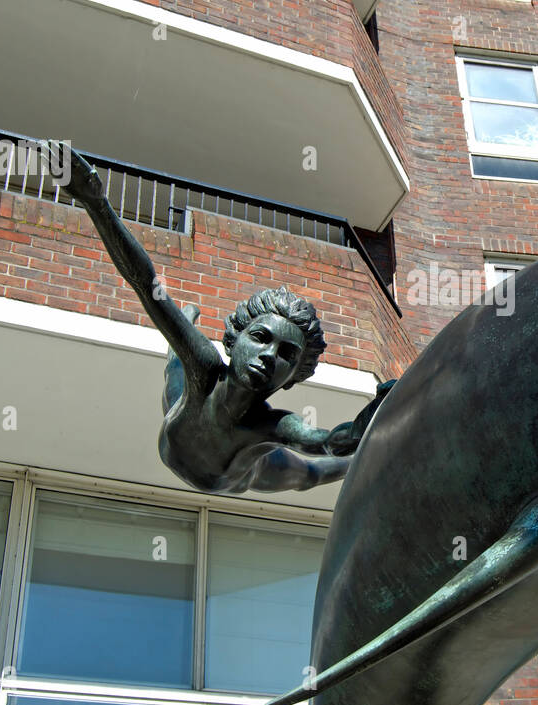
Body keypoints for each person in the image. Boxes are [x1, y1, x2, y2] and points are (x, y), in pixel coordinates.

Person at [55, 144, 394, 494]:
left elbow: (329, 441)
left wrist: (377, 413)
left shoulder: (273, 426)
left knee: (310, 473)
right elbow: (145, 283)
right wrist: (96, 203)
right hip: (181, 425)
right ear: (235, 340)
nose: (269, 356)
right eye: (262, 338)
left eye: (286, 355)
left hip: (243, 474)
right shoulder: (204, 365)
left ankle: (360, 464)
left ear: (294, 378)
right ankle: (187, 324)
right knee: (178, 369)